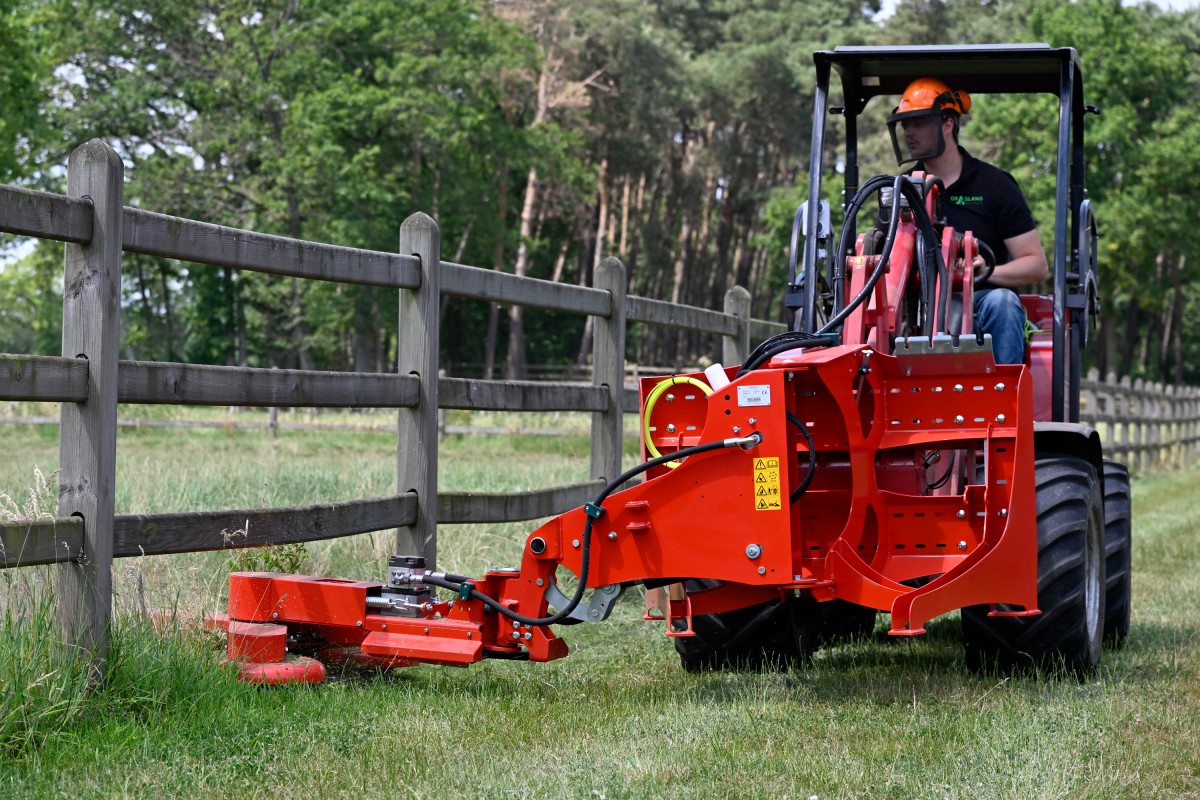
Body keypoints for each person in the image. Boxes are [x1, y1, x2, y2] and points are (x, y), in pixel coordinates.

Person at [886, 78, 1049, 365]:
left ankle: (1005, 402)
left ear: (947, 124)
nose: (908, 133)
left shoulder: (995, 185)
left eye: (918, 123)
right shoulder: (903, 190)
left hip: (981, 303)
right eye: (904, 125)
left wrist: (986, 272)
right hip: (916, 306)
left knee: (1003, 303)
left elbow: (1036, 265)